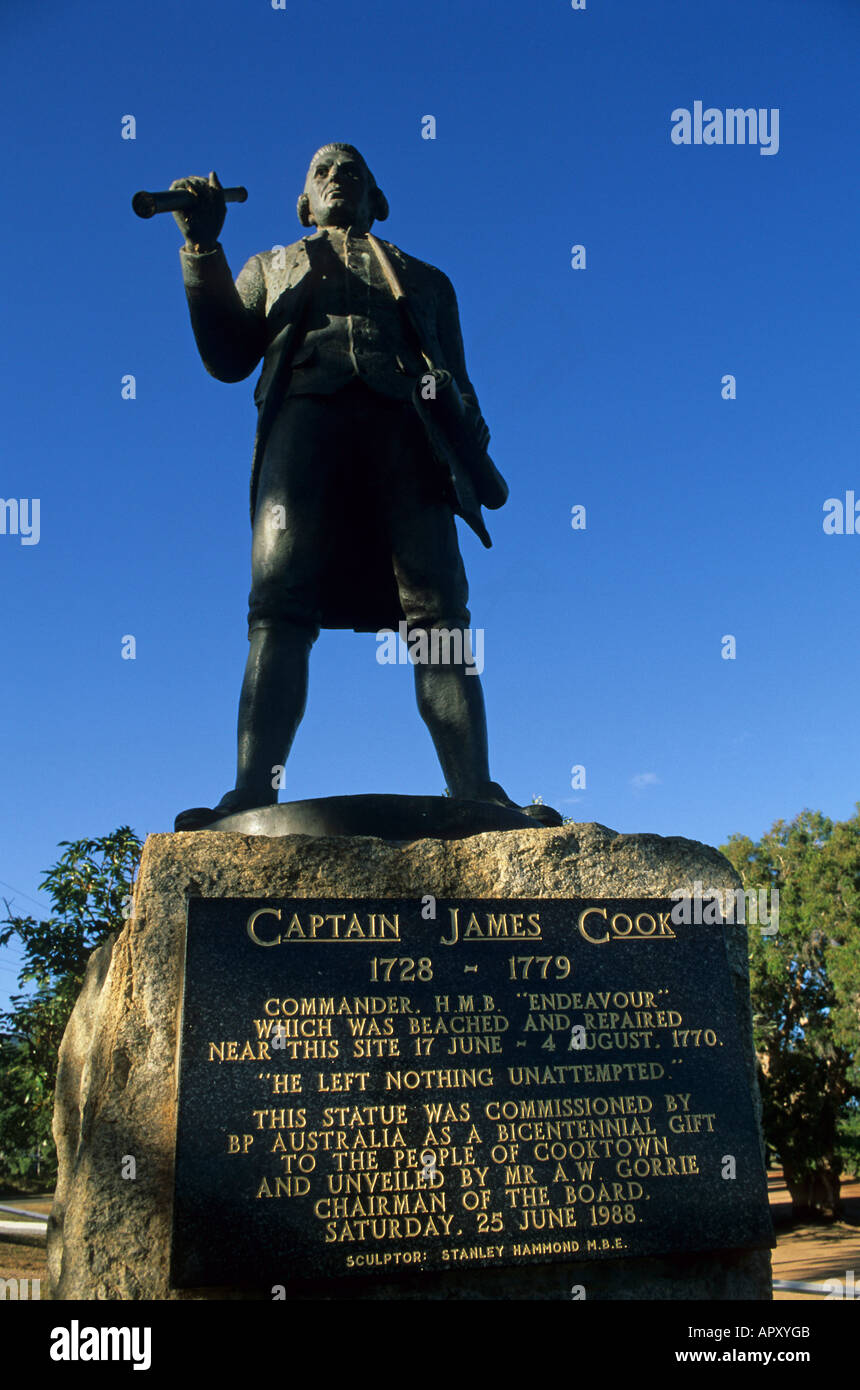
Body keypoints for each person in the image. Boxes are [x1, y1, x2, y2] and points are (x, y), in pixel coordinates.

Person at [170, 144, 556, 830]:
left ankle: (474, 788)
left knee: (439, 613)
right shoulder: (273, 265)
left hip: (408, 433)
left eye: (351, 170)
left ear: (377, 199)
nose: (336, 177)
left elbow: (460, 382)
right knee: (279, 606)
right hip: (304, 421)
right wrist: (202, 249)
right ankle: (253, 790)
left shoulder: (426, 280)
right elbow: (227, 356)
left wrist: (471, 441)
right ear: (304, 203)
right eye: (321, 171)